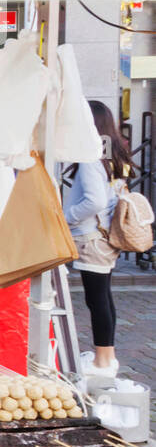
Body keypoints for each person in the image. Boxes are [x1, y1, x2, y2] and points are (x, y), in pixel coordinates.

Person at [63, 101, 134, 378]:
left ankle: (103, 363)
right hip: (106, 238)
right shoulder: (114, 156)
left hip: (92, 239)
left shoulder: (91, 157)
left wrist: (66, 216)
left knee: (97, 300)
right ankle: (107, 357)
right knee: (103, 296)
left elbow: (94, 200)